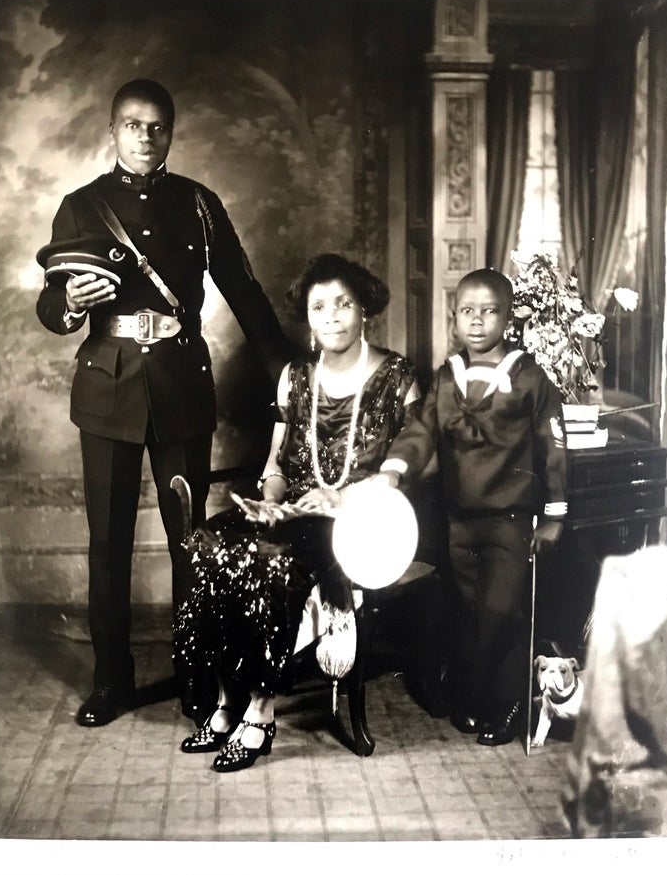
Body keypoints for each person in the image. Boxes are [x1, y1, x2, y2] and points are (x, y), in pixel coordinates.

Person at [35, 78, 291, 728]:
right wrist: (70, 304)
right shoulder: (81, 205)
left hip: (180, 386)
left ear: (171, 133)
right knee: (108, 542)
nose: (145, 137)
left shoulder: (199, 204)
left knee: (189, 541)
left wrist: (287, 371)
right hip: (108, 389)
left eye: (157, 127)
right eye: (133, 125)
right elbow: (51, 300)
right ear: (112, 131)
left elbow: (243, 289)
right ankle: (110, 681)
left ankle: (195, 677)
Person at [173, 253, 419, 772]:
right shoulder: (295, 377)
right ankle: (226, 701)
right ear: (307, 318)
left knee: (271, 562)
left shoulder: (397, 376)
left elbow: (413, 469)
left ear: (364, 310)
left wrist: (342, 499)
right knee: (209, 543)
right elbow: (277, 464)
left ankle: (260, 713)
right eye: (319, 307)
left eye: (343, 304)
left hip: (358, 523)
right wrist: (270, 500)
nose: (332, 317)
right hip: (293, 512)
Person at [374, 267, 567, 746]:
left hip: (510, 520)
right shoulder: (446, 378)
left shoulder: (529, 377)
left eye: (490, 311)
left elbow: (554, 447)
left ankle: (508, 705)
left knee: (501, 613)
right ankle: (475, 699)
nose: (477, 321)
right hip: (459, 520)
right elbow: (421, 430)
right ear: (454, 317)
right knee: (468, 610)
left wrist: (555, 516)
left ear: (508, 318)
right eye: (467, 311)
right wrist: (394, 469)